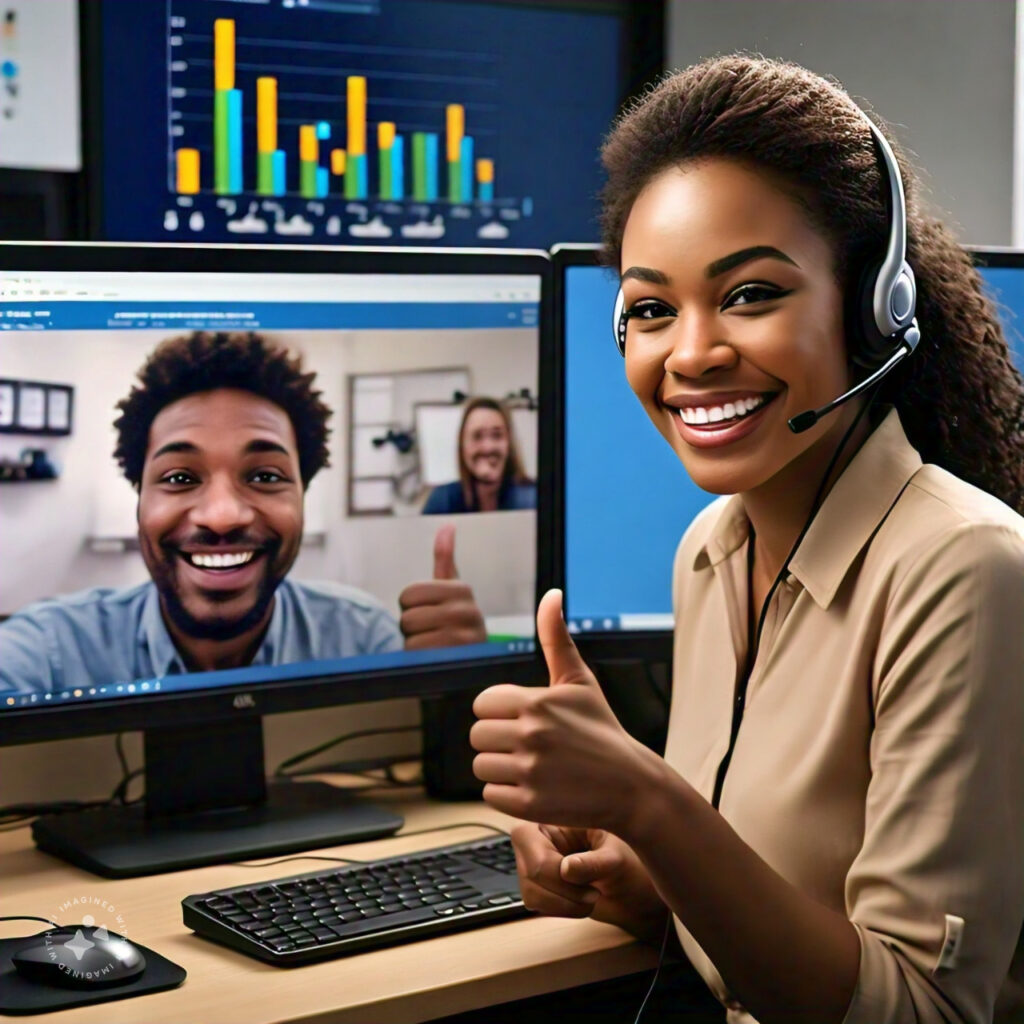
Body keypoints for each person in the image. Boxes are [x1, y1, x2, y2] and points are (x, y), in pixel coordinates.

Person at [469, 57, 1024, 1024]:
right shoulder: (711, 551)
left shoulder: (965, 568)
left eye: (750, 294)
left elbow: (921, 1009)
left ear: (870, 308)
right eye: (650, 309)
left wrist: (653, 803)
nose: (689, 353)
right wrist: (642, 878)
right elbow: (774, 912)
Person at [0, 331, 485, 695]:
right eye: (180, 478)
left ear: (302, 495)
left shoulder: (365, 639)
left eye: (266, 476)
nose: (223, 516)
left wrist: (459, 687)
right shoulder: (46, 655)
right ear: (139, 498)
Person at [421, 396, 536, 513]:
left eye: (497, 435)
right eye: (477, 436)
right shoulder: (442, 501)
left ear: (509, 444)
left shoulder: (534, 499)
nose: (487, 447)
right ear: (463, 446)